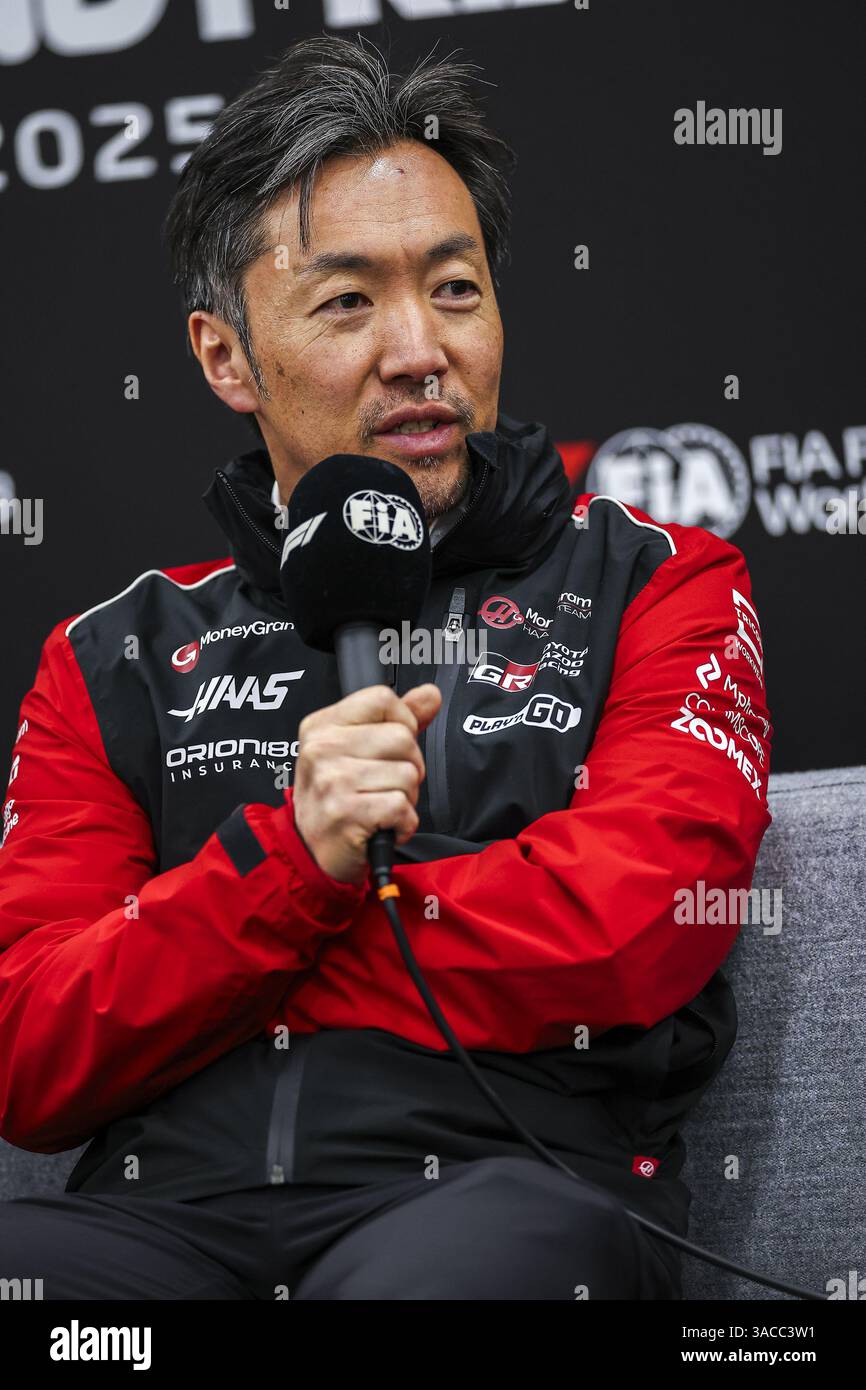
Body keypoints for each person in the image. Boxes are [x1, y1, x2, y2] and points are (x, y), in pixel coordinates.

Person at [0, 35, 772, 1301]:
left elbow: (634, 928)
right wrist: (286, 861)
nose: (420, 349)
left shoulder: (655, 582)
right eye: (348, 300)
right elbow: (30, 1050)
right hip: (162, 1236)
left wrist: (252, 952)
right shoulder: (112, 655)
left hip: (499, 1203)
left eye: (455, 289)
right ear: (225, 358)